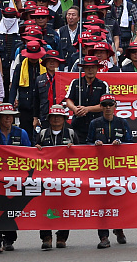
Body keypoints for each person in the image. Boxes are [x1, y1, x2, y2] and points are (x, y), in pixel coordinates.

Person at [86, 96, 131, 248]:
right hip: (100, 170)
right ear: (100, 107)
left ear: (115, 106)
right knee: (102, 202)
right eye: (104, 105)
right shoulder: (95, 123)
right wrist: (95, 144)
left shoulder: (122, 122)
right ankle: (103, 236)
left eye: (110, 105)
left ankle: (119, 229)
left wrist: (121, 144)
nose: (107, 108)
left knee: (119, 199)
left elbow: (131, 142)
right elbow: (87, 142)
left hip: (119, 168)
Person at [0, 104, 30, 254]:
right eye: (4, 115)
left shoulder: (22, 133)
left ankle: (9, 239)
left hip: (16, 180)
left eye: (10, 115)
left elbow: (29, 155)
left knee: (12, 209)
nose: (7, 118)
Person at [34, 104, 77, 250]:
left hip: (65, 179)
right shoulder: (42, 134)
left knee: (64, 207)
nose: (57, 119)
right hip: (46, 179)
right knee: (44, 207)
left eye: (59, 116)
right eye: (54, 117)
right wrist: (37, 149)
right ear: (49, 119)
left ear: (64, 119)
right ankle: (46, 237)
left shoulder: (71, 133)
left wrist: (74, 149)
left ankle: (62, 237)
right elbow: (32, 154)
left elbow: (83, 154)